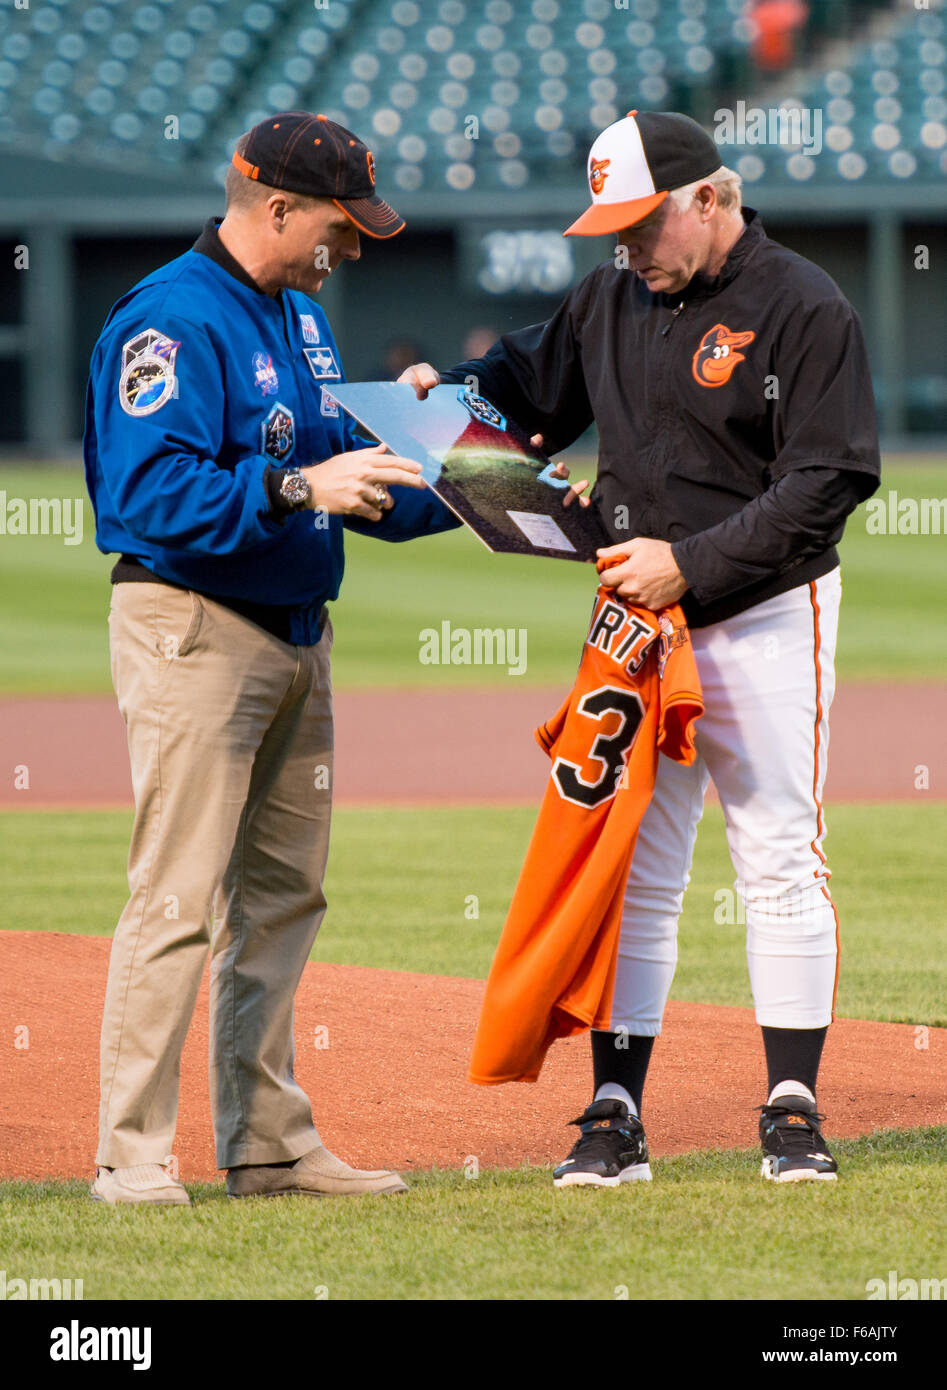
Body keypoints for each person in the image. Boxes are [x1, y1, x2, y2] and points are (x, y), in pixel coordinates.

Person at [400, 109, 881, 1185]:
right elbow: (523, 388)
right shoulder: (611, 295)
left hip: (761, 608)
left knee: (777, 856)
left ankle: (791, 1106)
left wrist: (691, 565)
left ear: (707, 199)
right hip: (634, 622)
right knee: (633, 867)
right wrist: (446, 398)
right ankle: (613, 1109)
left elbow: (824, 484)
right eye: (611, 229)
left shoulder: (802, 303)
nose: (625, 247)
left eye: (640, 223)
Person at [83, 111, 459, 1205]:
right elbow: (145, 496)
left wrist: (467, 469)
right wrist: (296, 488)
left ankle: (267, 1141)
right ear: (278, 206)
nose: (351, 246)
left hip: (297, 628)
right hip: (196, 627)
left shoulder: (300, 318)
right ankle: (133, 1154)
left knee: (283, 899)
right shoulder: (171, 318)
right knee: (177, 896)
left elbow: (355, 479)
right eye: (340, 227)